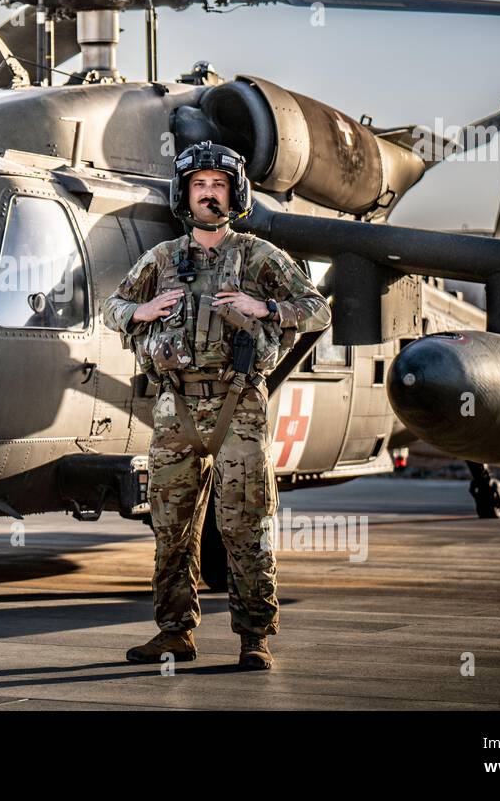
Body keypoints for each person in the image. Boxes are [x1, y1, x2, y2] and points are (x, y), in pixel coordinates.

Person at [101, 140, 331, 670]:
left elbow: (316, 311)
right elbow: (114, 307)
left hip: (238, 407)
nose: (209, 194)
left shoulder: (259, 257)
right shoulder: (161, 260)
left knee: (245, 522)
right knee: (171, 524)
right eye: (199, 185)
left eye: (218, 185)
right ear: (186, 195)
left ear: (235, 193)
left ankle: (255, 637)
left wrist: (266, 305)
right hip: (175, 407)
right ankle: (174, 632)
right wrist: (143, 310)